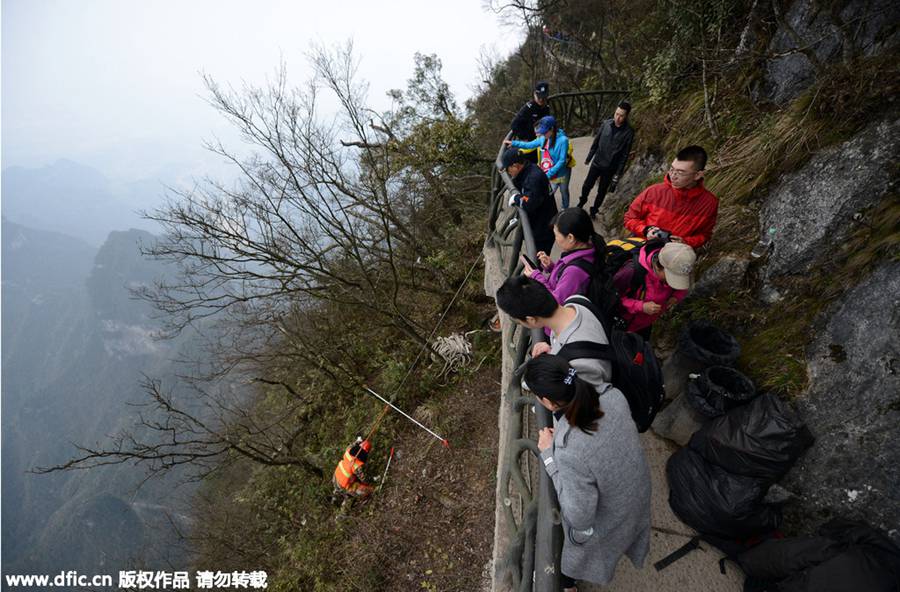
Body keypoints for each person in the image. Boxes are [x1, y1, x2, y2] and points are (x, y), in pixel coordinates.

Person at [526, 354, 651, 589]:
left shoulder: (570, 448)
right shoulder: (612, 395)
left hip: (612, 517)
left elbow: (579, 516)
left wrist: (549, 456)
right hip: (637, 495)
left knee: (574, 553)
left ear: (548, 402)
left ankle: (566, 581)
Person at [495, 275, 611, 388]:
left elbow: (588, 400)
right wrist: (554, 351)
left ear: (531, 320)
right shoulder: (576, 302)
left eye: (520, 322)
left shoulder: (575, 363)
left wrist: (558, 359)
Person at [623, 145, 719, 249]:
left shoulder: (709, 203)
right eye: (671, 169)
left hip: (674, 256)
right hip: (642, 248)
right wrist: (646, 230)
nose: (673, 175)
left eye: (680, 172)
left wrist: (686, 242)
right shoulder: (654, 191)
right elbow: (629, 218)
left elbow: (704, 235)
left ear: (697, 175)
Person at [613, 241, 696, 339]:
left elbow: (682, 288)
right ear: (658, 266)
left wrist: (675, 297)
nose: (672, 283)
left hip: (646, 323)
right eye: (671, 278)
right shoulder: (631, 273)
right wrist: (641, 306)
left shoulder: (677, 267)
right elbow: (614, 298)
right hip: (625, 324)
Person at [522, 208, 604, 305]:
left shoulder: (575, 272)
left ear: (570, 238)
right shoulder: (588, 248)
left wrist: (536, 276)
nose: (555, 239)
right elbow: (566, 281)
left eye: (556, 235)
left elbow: (556, 302)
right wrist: (552, 267)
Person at [578, 101, 635, 219]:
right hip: (597, 161)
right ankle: (582, 202)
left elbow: (624, 155)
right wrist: (589, 157)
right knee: (587, 185)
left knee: (602, 191)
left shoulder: (629, 132)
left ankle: (594, 210)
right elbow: (596, 141)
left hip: (610, 167)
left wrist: (617, 174)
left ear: (626, 116)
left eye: (621, 115)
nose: (618, 118)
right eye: (616, 114)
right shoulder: (606, 124)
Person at [500, 147, 558, 256]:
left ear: (515, 166)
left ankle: (536, 272)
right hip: (540, 221)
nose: (508, 173)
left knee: (537, 258)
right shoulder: (529, 168)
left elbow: (529, 202)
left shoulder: (533, 179)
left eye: (508, 169)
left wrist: (516, 199)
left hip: (543, 229)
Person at [505, 115, 572, 208]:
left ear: (552, 129)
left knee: (564, 191)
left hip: (562, 172)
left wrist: (548, 174)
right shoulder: (544, 138)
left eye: (544, 132)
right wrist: (514, 143)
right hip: (550, 172)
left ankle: (565, 208)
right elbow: (530, 145)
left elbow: (562, 161)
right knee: (549, 192)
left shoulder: (563, 140)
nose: (542, 135)